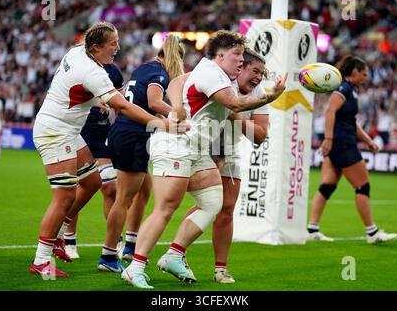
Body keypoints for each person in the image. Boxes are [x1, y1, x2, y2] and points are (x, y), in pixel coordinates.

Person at [122, 30, 287, 289]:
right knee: (166, 208)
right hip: (176, 145)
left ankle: (175, 254)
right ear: (220, 56)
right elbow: (232, 103)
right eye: (237, 55)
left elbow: (177, 83)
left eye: (243, 56)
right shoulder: (212, 74)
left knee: (213, 202)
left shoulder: (221, 74)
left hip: (197, 149)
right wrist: (272, 96)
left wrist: (176, 102)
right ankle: (136, 267)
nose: (241, 61)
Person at [29, 21, 184, 278]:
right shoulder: (93, 71)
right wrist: (162, 123)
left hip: (65, 129)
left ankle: (57, 235)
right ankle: (42, 260)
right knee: (65, 197)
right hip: (55, 132)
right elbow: (122, 107)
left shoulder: (78, 52)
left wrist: (100, 98)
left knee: (91, 182)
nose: (118, 48)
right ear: (95, 47)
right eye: (113, 44)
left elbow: (95, 90)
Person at [179, 48, 269, 284]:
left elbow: (260, 135)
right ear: (240, 68)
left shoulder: (258, 94)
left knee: (226, 208)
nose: (259, 77)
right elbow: (181, 84)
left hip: (230, 150)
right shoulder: (217, 80)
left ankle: (220, 269)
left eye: (262, 73)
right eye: (255, 71)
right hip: (199, 147)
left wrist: (233, 111)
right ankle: (174, 252)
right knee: (204, 203)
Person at [97, 34, 186, 273]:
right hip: (133, 135)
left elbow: (139, 101)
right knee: (124, 199)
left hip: (122, 131)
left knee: (144, 189)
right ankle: (108, 256)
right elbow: (155, 102)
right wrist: (178, 115)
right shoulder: (160, 72)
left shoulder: (143, 67)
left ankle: (131, 244)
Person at [306, 55, 397, 244]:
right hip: (343, 143)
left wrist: (368, 140)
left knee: (328, 185)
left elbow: (351, 122)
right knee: (363, 186)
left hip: (340, 142)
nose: (366, 77)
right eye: (364, 74)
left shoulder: (351, 90)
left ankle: (312, 229)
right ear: (354, 73)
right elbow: (330, 111)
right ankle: (372, 233)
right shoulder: (344, 89)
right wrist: (329, 140)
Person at [63, 63, 126, 260]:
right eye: (111, 44)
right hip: (77, 131)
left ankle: (115, 240)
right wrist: (94, 101)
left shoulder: (113, 71)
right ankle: (68, 239)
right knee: (74, 189)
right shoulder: (80, 67)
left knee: (111, 188)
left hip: (102, 133)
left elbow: (121, 98)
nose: (115, 48)